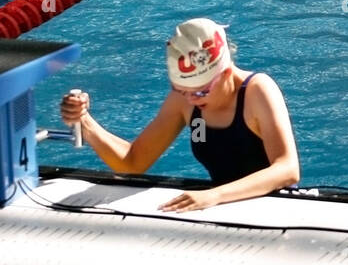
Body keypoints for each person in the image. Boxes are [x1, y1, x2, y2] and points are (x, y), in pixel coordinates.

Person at [59, 18, 300, 212]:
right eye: (182, 91)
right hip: (218, 209)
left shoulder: (257, 91)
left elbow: (287, 169)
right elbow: (133, 162)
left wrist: (214, 195)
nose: (191, 100)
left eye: (201, 91)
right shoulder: (184, 102)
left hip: (276, 209)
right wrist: (85, 122)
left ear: (226, 73)